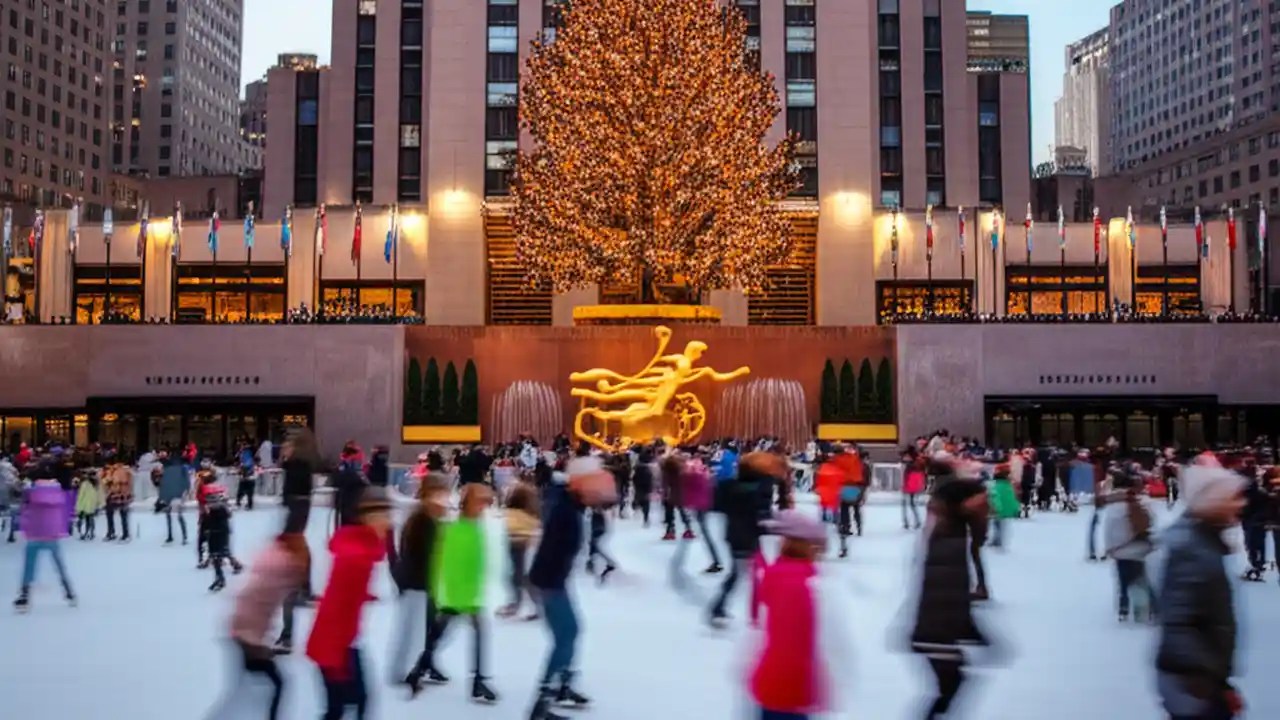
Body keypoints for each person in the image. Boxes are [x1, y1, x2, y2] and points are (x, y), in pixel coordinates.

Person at [1155, 465, 1246, 720]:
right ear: (1211, 501)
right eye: (1232, 497)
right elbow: (1178, 621)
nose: (1240, 504)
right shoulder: (1191, 550)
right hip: (1192, 684)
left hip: (1201, 680)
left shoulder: (1204, 544)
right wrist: (1203, 679)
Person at [746, 510, 850, 720]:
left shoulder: (770, 576)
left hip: (767, 683)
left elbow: (756, 632)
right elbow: (833, 643)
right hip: (799, 688)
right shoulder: (815, 584)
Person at [306, 487, 394, 720]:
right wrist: (336, 659)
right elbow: (336, 605)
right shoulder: (357, 557)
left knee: (344, 705)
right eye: (384, 517)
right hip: (334, 646)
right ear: (368, 519)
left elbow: (342, 594)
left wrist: (363, 595)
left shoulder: (360, 550)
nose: (389, 523)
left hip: (338, 642)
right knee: (350, 704)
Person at [911, 465, 990, 720]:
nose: (988, 513)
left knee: (950, 687)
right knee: (951, 686)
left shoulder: (950, 535)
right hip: (935, 634)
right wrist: (969, 630)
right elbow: (945, 592)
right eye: (982, 506)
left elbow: (953, 592)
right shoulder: (947, 542)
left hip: (936, 632)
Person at [205, 533, 307, 720]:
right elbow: (251, 609)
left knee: (246, 691)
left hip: (242, 635)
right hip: (245, 637)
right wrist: (255, 645)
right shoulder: (277, 576)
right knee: (271, 686)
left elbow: (256, 609)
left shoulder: (273, 570)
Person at [423, 483, 498, 704]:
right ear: (469, 504)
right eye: (480, 502)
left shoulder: (477, 527)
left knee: (444, 633)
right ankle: (423, 664)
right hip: (457, 593)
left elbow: (479, 561)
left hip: (470, 593)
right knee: (440, 633)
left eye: (486, 502)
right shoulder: (456, 529)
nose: (484, 506)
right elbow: (445, 563)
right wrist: (444, 591)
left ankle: (476, 679)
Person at [527, 472, 591, 720]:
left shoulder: (569, 507)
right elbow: (552, 549)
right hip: (549, 582)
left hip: (552, 580)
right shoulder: (565, 510)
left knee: (568, 634)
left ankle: (561, 686)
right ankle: (542, 704)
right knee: (567, 635)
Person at [393, 472, 451, 692]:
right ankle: (403, 668)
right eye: (438, 494)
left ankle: (426, 662)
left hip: (428, 582)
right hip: (416, 582)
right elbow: (416, 553)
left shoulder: (432, 518)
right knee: (413, 628)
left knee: (432, 625)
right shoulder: (420, 519)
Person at [709, 451, 773, 628]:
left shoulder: (728, 486)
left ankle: (722, 607)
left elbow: (716, 505)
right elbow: (763, 511)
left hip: (733, 533)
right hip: (750, 534)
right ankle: (722, 607)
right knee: (749, 573)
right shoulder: (760, 487)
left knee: (743, 572)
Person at [13, 474, 77, 611]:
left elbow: (23, 509)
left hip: (35, 535)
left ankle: (24, 594)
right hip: (52, 535)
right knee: (59, 565)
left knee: (29, 565)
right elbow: (65, 511)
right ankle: (69, 591)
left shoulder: (31, 493)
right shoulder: (58, 494)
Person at [1102, 472, 1157, 621]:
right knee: (1143, 580)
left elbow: (1110, 530)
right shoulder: (1145, 503)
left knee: (1123, 582)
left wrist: (1109, 548)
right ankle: (1152, 609)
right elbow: (1153, 524)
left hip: (1122, 552)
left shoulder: (1114, 507)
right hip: (1141, 549)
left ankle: (1124, 609)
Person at [499, 478, 541, 620]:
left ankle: (517, 604)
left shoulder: (512, 513)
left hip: (518, 546)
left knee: (518, 577)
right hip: (525, 547)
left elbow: (506, 527)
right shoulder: (531, 514)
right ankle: (529, 604)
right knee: (521, 577)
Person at [156, 449, 191, 546]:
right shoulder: (180, 467)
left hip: (172, 493)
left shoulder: (169, 468)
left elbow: (163, 482)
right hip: (176, 493)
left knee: (172, 515)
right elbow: (186, 482)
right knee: (177, 515)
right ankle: (182, 536)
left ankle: (174, 536)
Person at [102, 457, 133, 542]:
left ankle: (111, 532)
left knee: (109, 514)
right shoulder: (127, 470)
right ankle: (125, 533)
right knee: (123, 515)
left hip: (113, 494)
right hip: (124, 495)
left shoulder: (113, 470)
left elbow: (106, 481)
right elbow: (129, 482)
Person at [74, 471, 99, 541]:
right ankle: (91, 533)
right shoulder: (96, 484)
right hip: (92, 505)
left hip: (85, 505)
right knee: (90, 519)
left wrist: (78, 506)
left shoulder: (85, 484)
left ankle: (85, 533)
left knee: (84, 519)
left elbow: (81, 496)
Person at [237, 442, 257, 510]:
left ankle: (242, 502)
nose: (240, 448)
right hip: (248, 475)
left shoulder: (246, 453)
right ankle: (247, 503)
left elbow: (247, 464)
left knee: (244, 490)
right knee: (248, 491)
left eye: (241, 446)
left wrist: (242, 468)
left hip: (248, 475)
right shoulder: (243, 454)